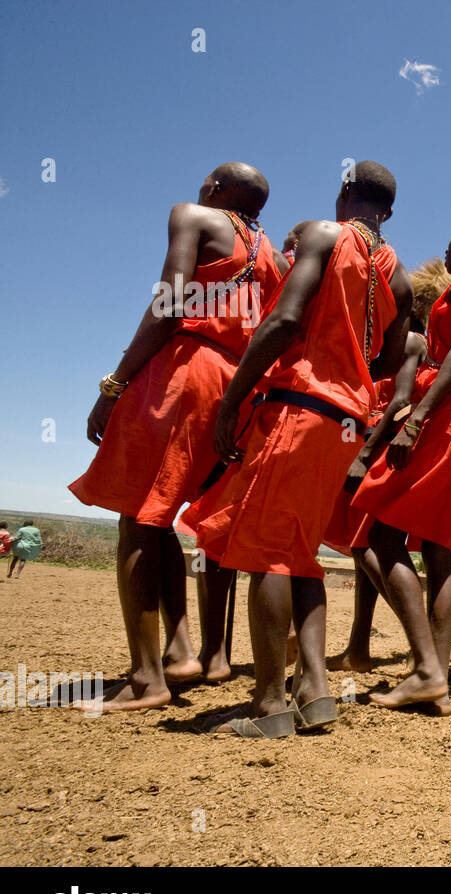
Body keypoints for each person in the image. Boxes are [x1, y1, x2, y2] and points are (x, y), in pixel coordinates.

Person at [186, 160, 413, 739]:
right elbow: (388, 361)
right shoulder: (399, 275)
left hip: (298, 407)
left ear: (344, 191)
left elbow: (284, 320)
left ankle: (268, 706)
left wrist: (233, 399)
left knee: (266, 553)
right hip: (346, 421)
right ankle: (314, 691)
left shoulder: (323, 235)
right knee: (299, 552)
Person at [69, 162, 286, 709]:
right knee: (166, 515)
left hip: (186, 372)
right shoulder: (275, 258)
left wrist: (115, 383)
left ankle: (146, 680)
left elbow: (170, 304)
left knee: (138, 519)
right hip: (237, 386)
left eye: (206, 181)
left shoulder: (193, 215)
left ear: (214, 190)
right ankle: (187, 652)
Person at [348, 225, 451, 713]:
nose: (446, 244)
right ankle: (434, 676)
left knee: (379, 535)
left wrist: (416, 420)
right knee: (441, 548)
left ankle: (425, 669)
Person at [325, 259, 448, 674]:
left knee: (365, 545)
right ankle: (358, 647)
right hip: (378, 439)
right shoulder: (414, 346)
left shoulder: (412, 341)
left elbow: (398, 401)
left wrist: (364, 451)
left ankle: (422, 648)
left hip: (380, 441)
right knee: (365, 547)